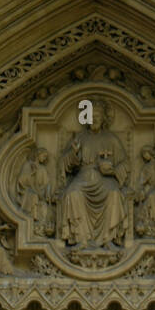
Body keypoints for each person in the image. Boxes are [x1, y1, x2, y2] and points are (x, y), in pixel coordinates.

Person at [57, 101, 128, 246]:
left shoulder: (111, 139)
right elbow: (64, 162)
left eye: (97, 116)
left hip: (104, 178)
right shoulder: (80, 138)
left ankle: (109, 238)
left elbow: (125, 163)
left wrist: (113, 170)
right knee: (72, 193)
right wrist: (75, 153)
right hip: (84, 176)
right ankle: (80, 238)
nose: (94, 119)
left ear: (103, 119)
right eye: (91, 116)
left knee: (114, 193)